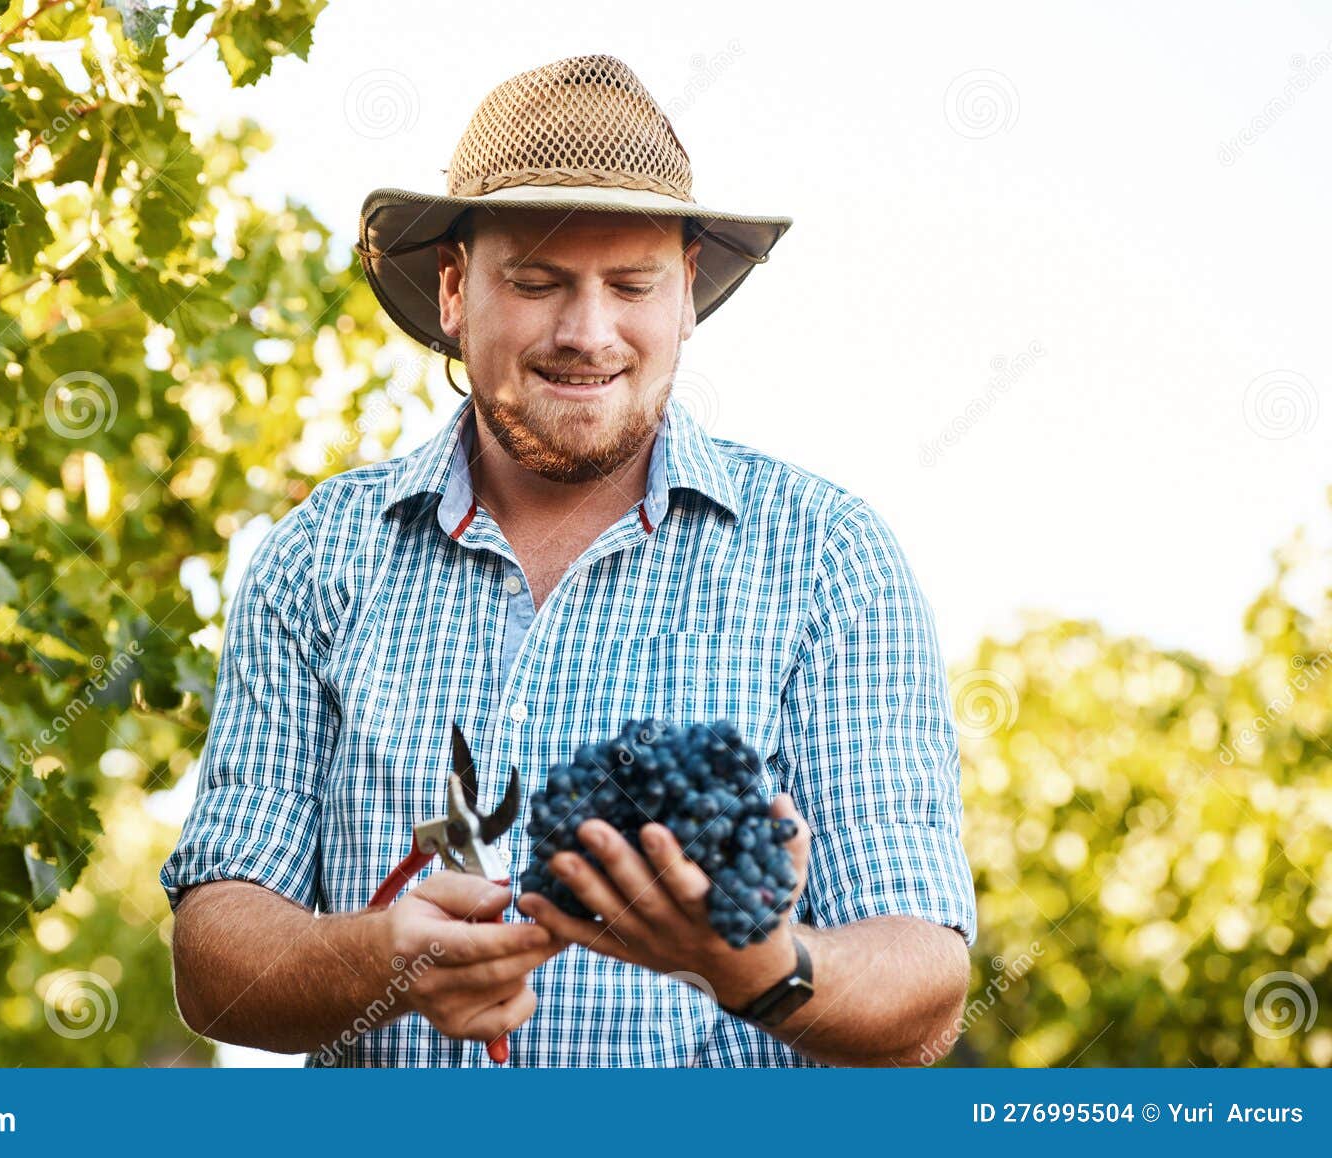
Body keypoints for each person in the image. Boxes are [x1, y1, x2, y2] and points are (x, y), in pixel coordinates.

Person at [160, 54, 976, 1067]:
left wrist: (761, 968)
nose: (588, 334)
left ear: (686, 297)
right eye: (538, 283)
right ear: (455, 291)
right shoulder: (319, 559)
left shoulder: (828, 561)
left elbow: (925, 985)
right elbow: (214, 963)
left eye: (632, 285)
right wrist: (379, 961)